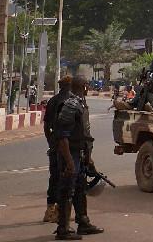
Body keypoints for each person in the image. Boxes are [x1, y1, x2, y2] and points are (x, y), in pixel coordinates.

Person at [52, 78, 103, 239]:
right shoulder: (71, 105)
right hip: (70, 153)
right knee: (67, 190)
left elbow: (84, 135)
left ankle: (83, 222)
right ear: (84, 87)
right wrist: (69, 161)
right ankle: (63, 229)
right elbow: (62, 136)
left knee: (80, 189)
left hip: (79, 153)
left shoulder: (80, 103)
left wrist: (88, 157)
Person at [42, 76, 73, 224]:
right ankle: (61, 213)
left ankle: (50, 210)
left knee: (54, 177)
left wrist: (51, 142)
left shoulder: (53, 101)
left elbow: (46, 126)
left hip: (55, 144)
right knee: (66, 179)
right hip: (68, 146)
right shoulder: (72, 102)